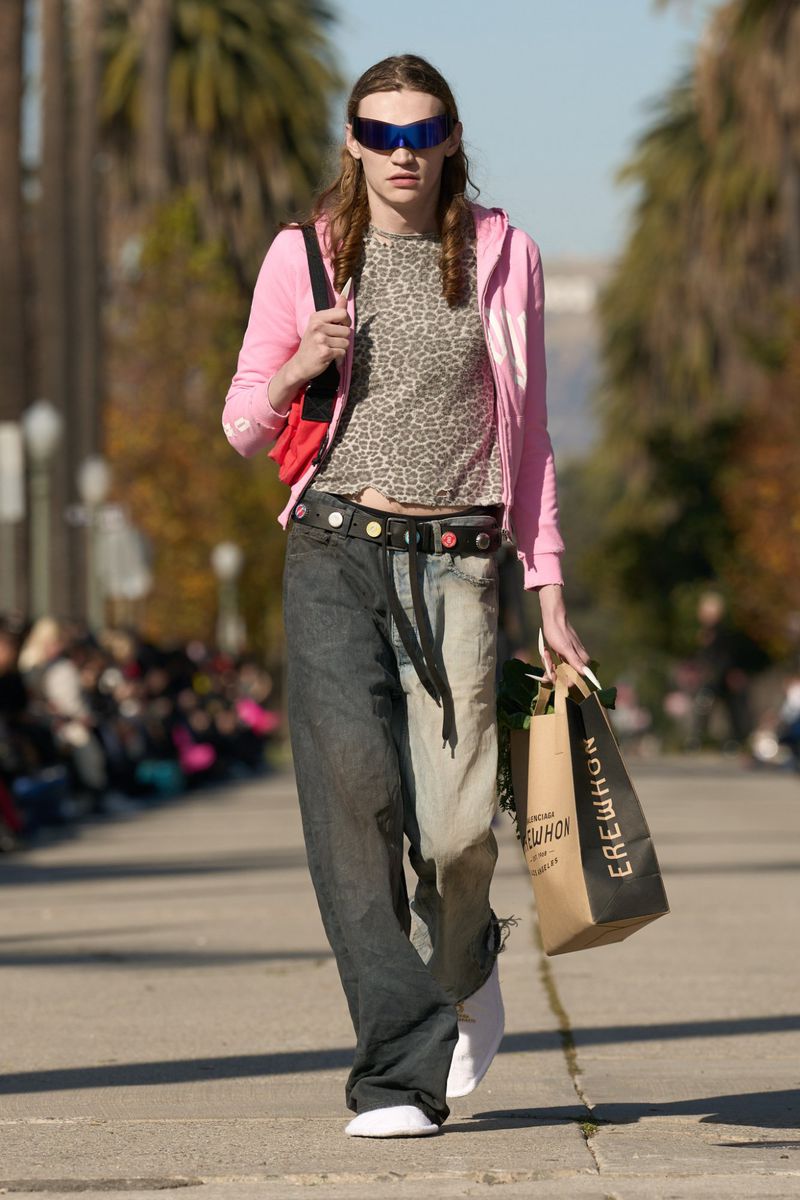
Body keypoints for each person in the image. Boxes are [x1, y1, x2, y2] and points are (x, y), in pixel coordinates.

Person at [222, 54, 591, 1138]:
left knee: (459, 828)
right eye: (378, 135)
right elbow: (243, 421)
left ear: (447, 141)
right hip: (334, 551)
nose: (398, 155)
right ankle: (396, 1070)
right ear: (350, 143)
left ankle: (465, 964)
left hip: (460, 561)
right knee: (356, 803)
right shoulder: (305, 254)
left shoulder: (499, 252)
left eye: (417, 135)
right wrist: (295, 364)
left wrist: (549, 579)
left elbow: (526, 439)